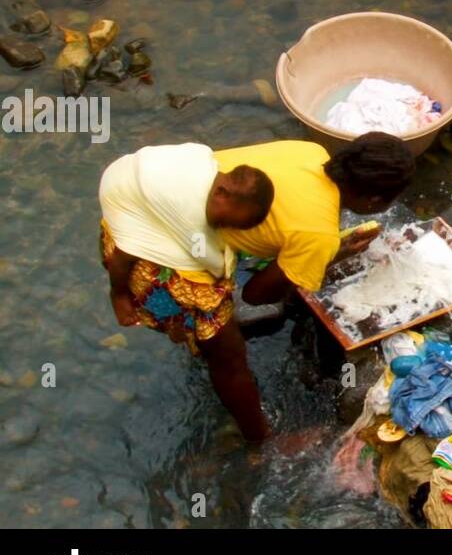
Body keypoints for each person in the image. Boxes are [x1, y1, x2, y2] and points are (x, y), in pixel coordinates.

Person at [99, 143, 275, 441]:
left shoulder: (205, 171)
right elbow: (125, 255)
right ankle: (258, 440)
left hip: (129, 206)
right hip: (132, 252)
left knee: (214, 341)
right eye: (227, 222)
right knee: (227, 354)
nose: (225, 229)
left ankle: (201, 347)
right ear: (221, 193)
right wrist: (118, 294)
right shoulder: (183, 212)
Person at [216, 133, 416, 304]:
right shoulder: (320, 235)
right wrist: (323, 258)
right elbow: (254, 296)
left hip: (193, 173)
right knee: (226, 342)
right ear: (374, 199)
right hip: (190, 236)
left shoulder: (312, 150)